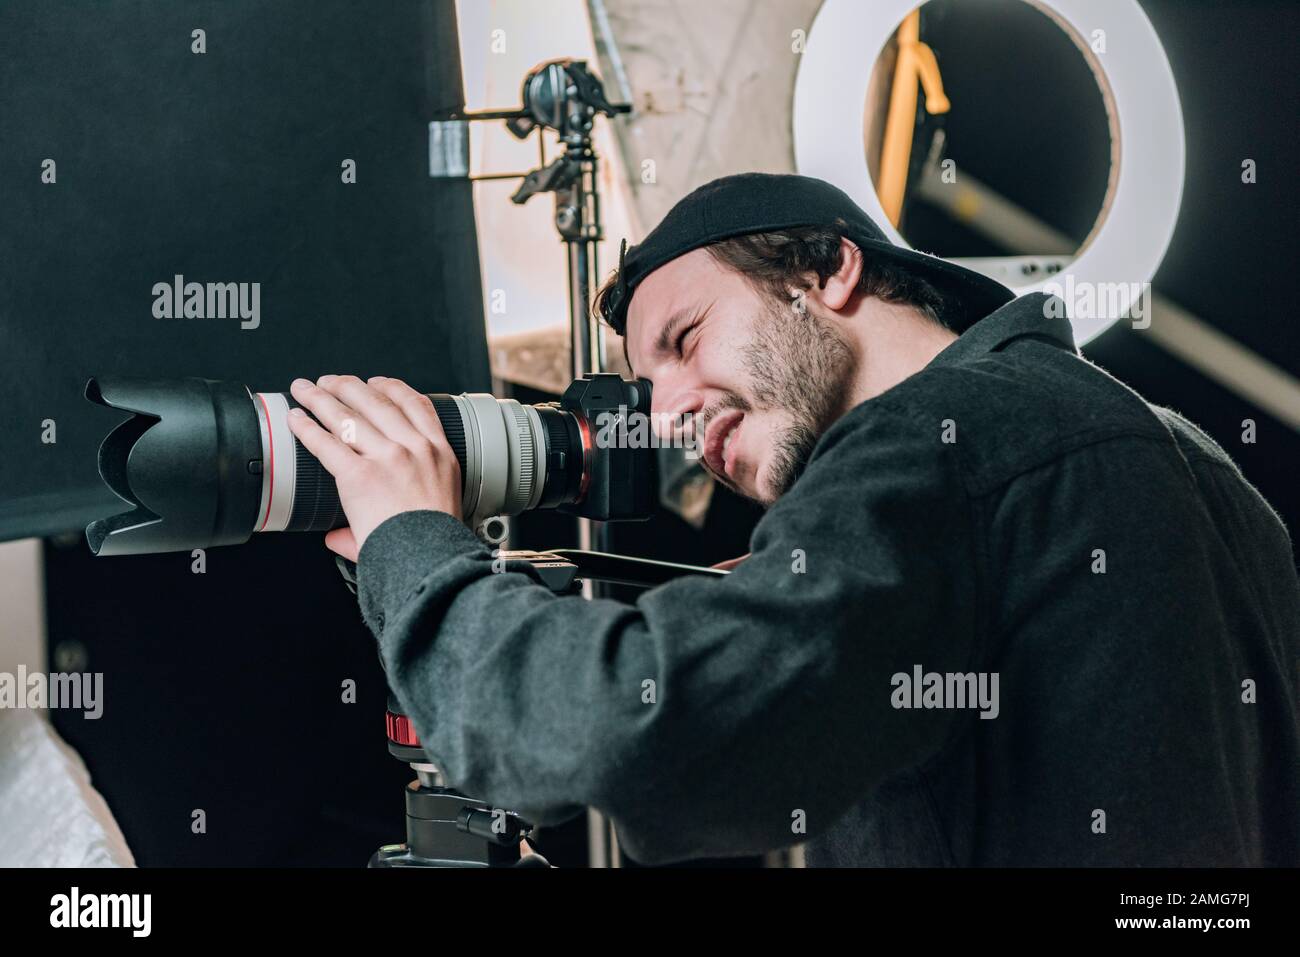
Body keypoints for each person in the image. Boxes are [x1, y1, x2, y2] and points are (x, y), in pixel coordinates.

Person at [285, 173, 1300, 866]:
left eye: (686, 336)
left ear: (825, 271)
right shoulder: (1187, 460)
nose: (668, 414)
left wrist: (413, 541)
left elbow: (636, 735)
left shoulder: (933, 439)